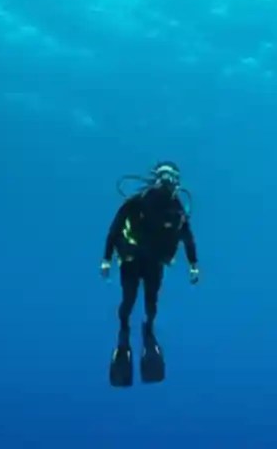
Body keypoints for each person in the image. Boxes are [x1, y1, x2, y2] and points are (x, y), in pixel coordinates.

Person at [101, 161, 199, 386]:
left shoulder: (177, 209)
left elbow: (188, 238)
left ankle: (149, 331)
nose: (167, 179)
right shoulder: (137, 201)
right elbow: (114, 229)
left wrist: (194, 264)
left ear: (177, 181)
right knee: (129, 299)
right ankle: (124, 332)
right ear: (155, 178)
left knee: (151, 302)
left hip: (155, 262)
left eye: (172, 175)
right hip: (131, 260)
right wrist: (106, 259)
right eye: (164, 175)